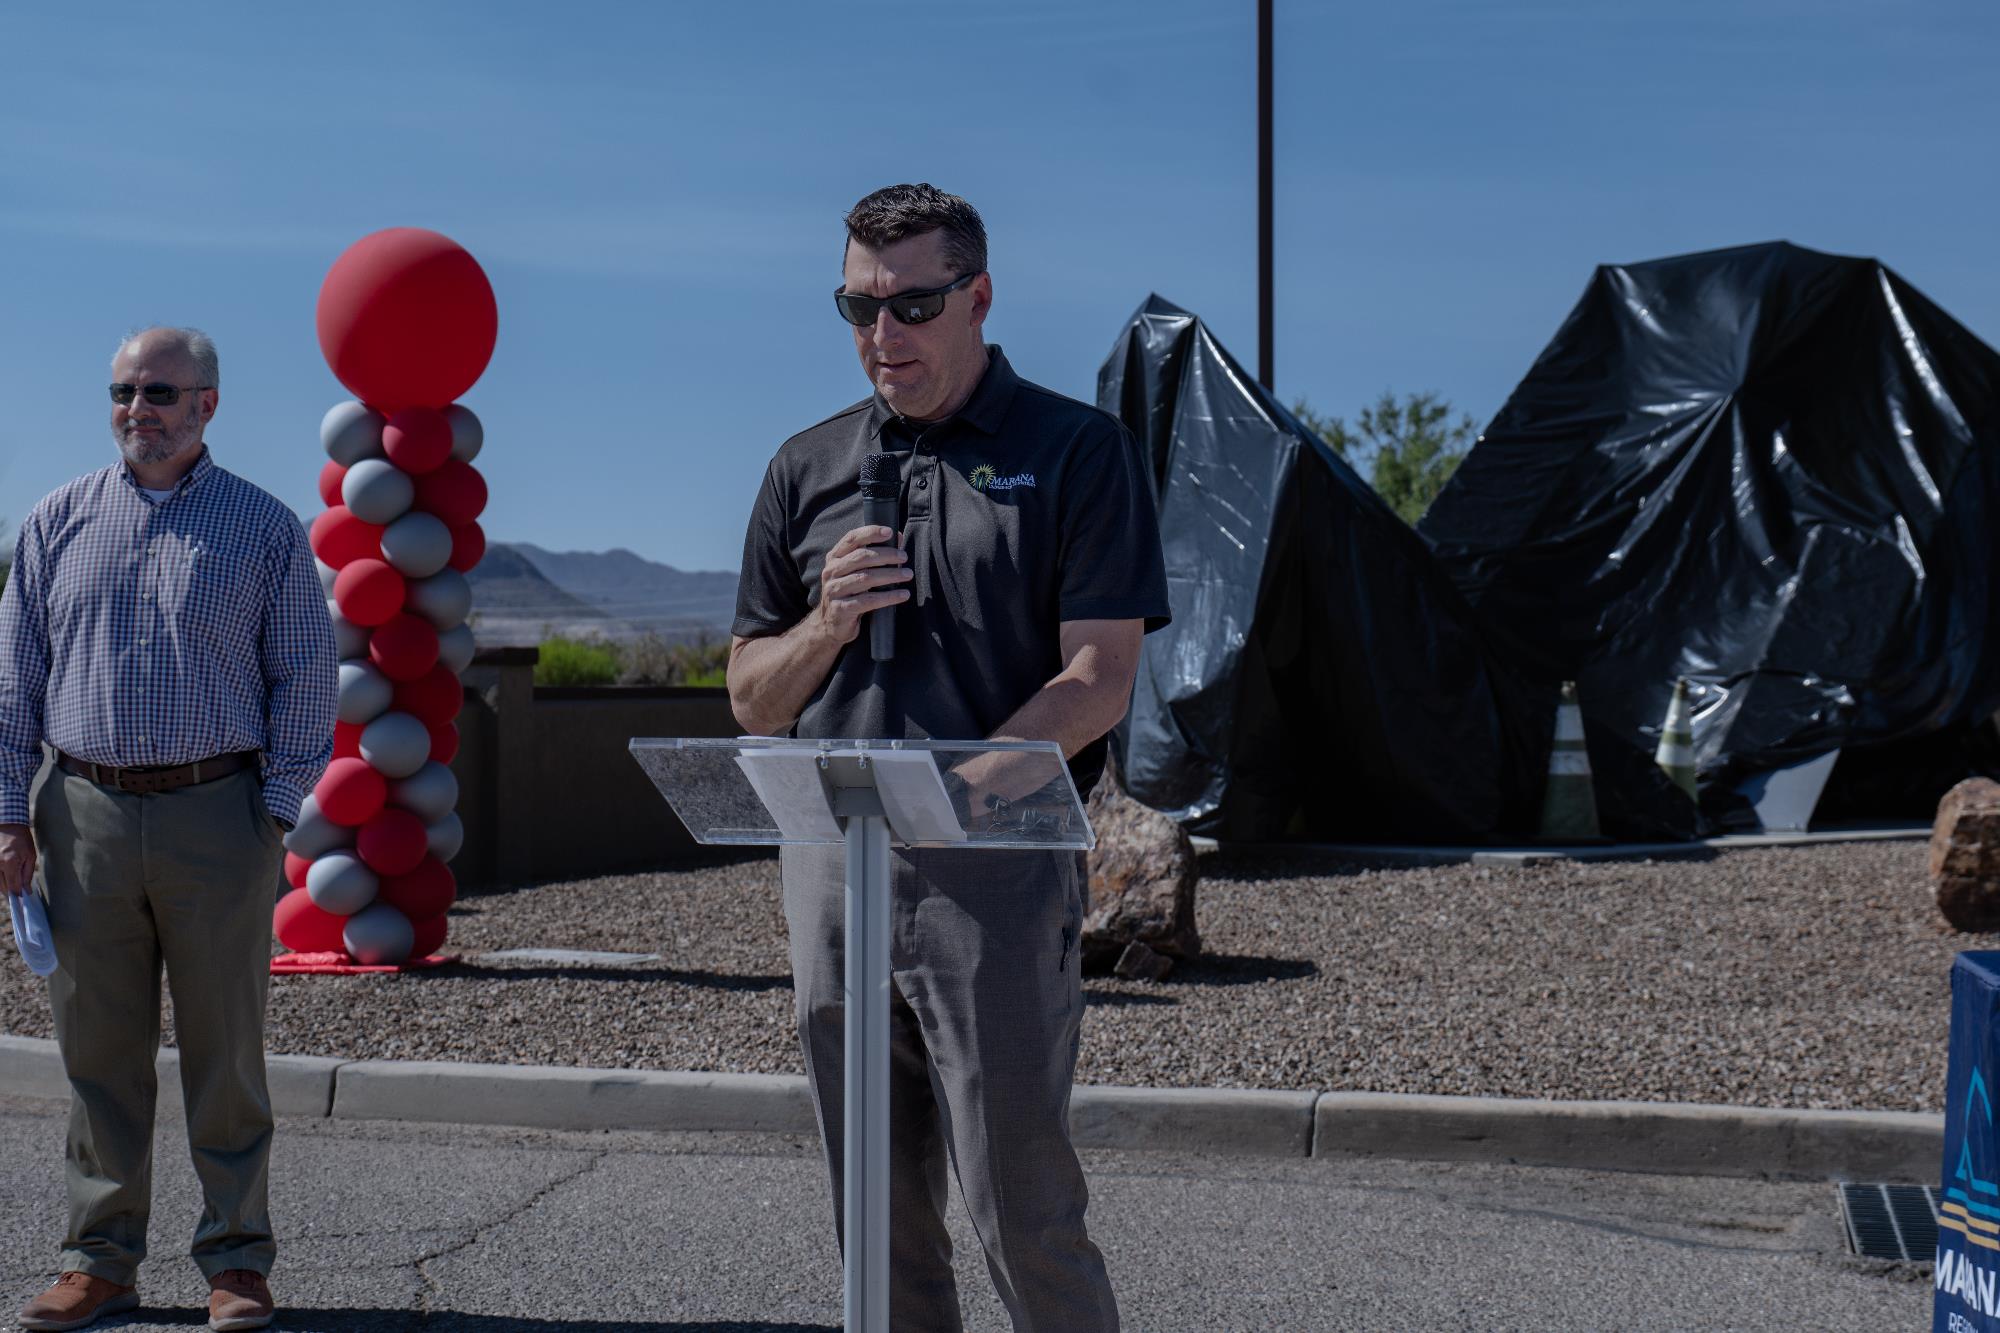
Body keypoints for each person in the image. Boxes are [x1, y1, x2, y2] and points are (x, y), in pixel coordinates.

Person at [729, 184, 1170, 1332]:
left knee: (1021, 1209)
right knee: (874, 1222)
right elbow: (750, 696)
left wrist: (948, 795)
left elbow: (1098, 679)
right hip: (835, 872)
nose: (883, 334)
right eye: (858, 308)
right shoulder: (806, 466)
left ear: (977, 297)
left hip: (994, 866)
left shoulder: (1076, 451)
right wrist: (826, 622)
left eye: (912, 305)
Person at [0, 327, 337, 1332]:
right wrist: (9, 815)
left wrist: (272, 811)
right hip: (82, 816)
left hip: (218, 814)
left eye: (157, 391)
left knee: (224, 1054)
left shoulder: (264, 527)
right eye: (122, 390)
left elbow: (305, 679)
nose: (135, 408)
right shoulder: (57, 520)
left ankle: (236, 1260)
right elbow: (13, 685)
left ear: (207, 405)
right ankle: (99, 1260)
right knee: (98, 1053)